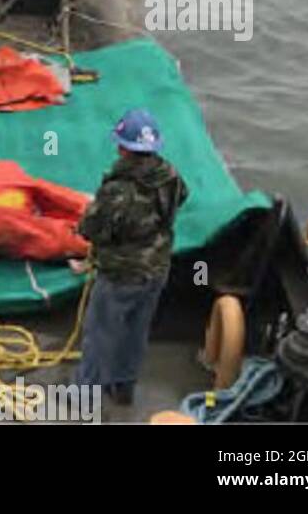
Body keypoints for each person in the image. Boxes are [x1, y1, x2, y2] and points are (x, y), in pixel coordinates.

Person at [73, 108, 188, 405]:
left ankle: (86, 394)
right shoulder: (169, 174)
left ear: (123, 147)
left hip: (122, 274)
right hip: (157, 267)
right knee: (136, 330)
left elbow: (91, 229)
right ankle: (123, 387)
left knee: (100, 332)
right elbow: (181, 197)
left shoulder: (118, 190)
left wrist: (89, 214)